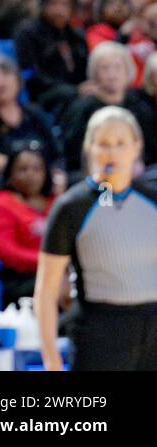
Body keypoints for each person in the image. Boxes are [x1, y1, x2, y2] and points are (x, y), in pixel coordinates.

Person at [35, 106, 157, 370]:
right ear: (89, 147)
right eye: (103, 143)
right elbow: (46, 291)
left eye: (120, 143)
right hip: (100, 331)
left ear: (136, 147)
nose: (111, 152)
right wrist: (51, 359)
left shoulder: (152, 200)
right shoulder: (71, 207)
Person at [0, 55, 61, 197]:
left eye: (5, 74)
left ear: (17, 79)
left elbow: (57, 153)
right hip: (3, 181)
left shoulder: (35, 113)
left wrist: (58, 173)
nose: (0, 83)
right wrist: (31, 174)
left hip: (44, 178)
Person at [59, 41, 157, 175]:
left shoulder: (140, 104)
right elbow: (73, 154)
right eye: (105, 68)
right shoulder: (82, 109)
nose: (112, 75)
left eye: (118, 67)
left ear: (128, 71)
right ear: (94, 73)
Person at [0, 145, 56, 305]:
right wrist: (48, 261)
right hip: (18, 278)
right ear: (10, 174)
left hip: (55, 270)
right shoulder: (0, 204)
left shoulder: (56, 202)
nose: (31, 175)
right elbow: (6, 251)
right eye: (23, 169)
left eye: (37, 169)